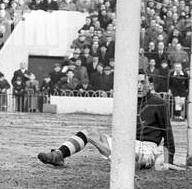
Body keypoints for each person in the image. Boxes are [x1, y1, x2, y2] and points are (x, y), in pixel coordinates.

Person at [36, 71, 175, 169]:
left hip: (146, 149)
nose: (138, 86)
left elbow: (168, 134)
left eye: (142, 82)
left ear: (149, 84)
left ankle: (129, 162)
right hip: (125, 145)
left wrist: (169, 161)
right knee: (88, 132)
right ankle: (59, 155)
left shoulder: (159, 103)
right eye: (135, 82)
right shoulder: (127, 102)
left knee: (130, 157)